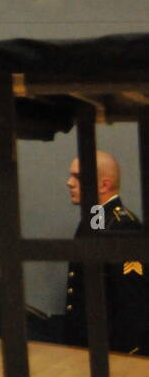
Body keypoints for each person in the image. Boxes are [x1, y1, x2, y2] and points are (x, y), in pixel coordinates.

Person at [60, 150, 148, 355]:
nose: (69, 183)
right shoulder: (96, 217)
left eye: (77, 177)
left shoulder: (122, 228)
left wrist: (128, 357)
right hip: (86, 345)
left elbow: (132, 302)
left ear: (103, 185)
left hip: (111, 352)